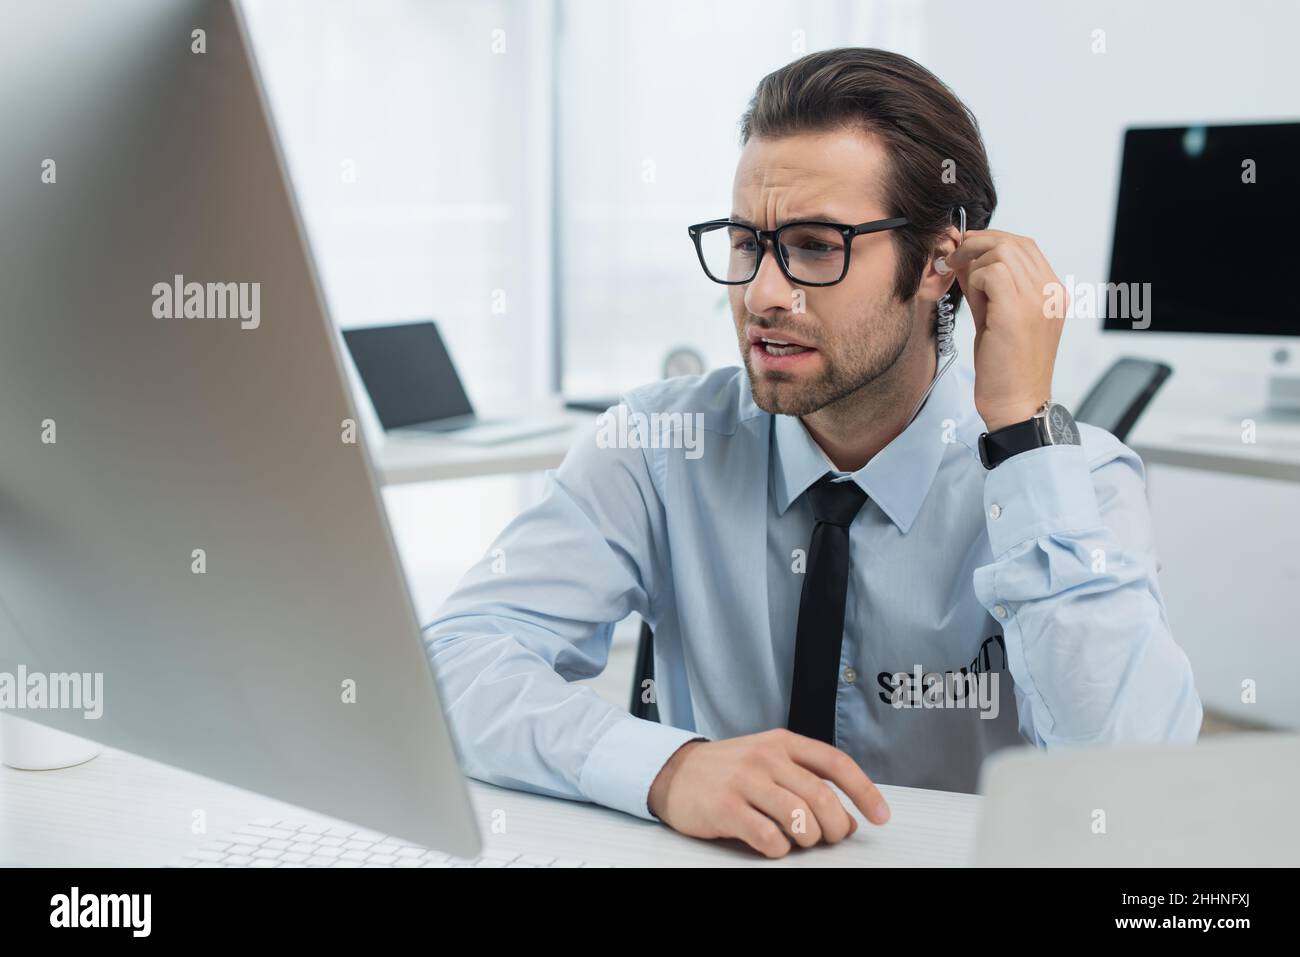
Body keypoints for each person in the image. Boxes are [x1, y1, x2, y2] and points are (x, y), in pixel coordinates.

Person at [424, 48, 1202, 859]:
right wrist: (667, 767)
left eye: (815, 245)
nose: (762, 292)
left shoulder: (1070, 479)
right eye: (744, 243)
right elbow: (454, 661)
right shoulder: (658, 447)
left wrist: (1023, 439)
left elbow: (1134, 786)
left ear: (941, 262)